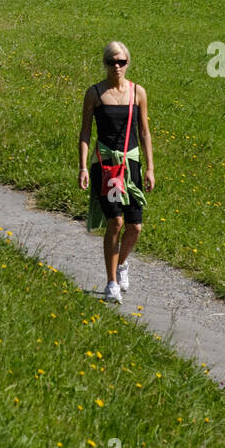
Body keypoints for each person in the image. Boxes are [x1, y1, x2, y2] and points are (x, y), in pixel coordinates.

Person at [78, 41, 155, 304]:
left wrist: (150, 168)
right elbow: (86, 132)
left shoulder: (138, 93)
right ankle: (111, 283)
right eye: (112, 62)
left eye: (122, 62)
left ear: (128, 63)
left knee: (135, 227)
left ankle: (121, 264)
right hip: (107, 167)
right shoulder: (95, 93)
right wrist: (82, 167)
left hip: (131, 166)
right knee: (116, 222)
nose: (117, 67)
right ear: (105, 64)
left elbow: (144, 132)